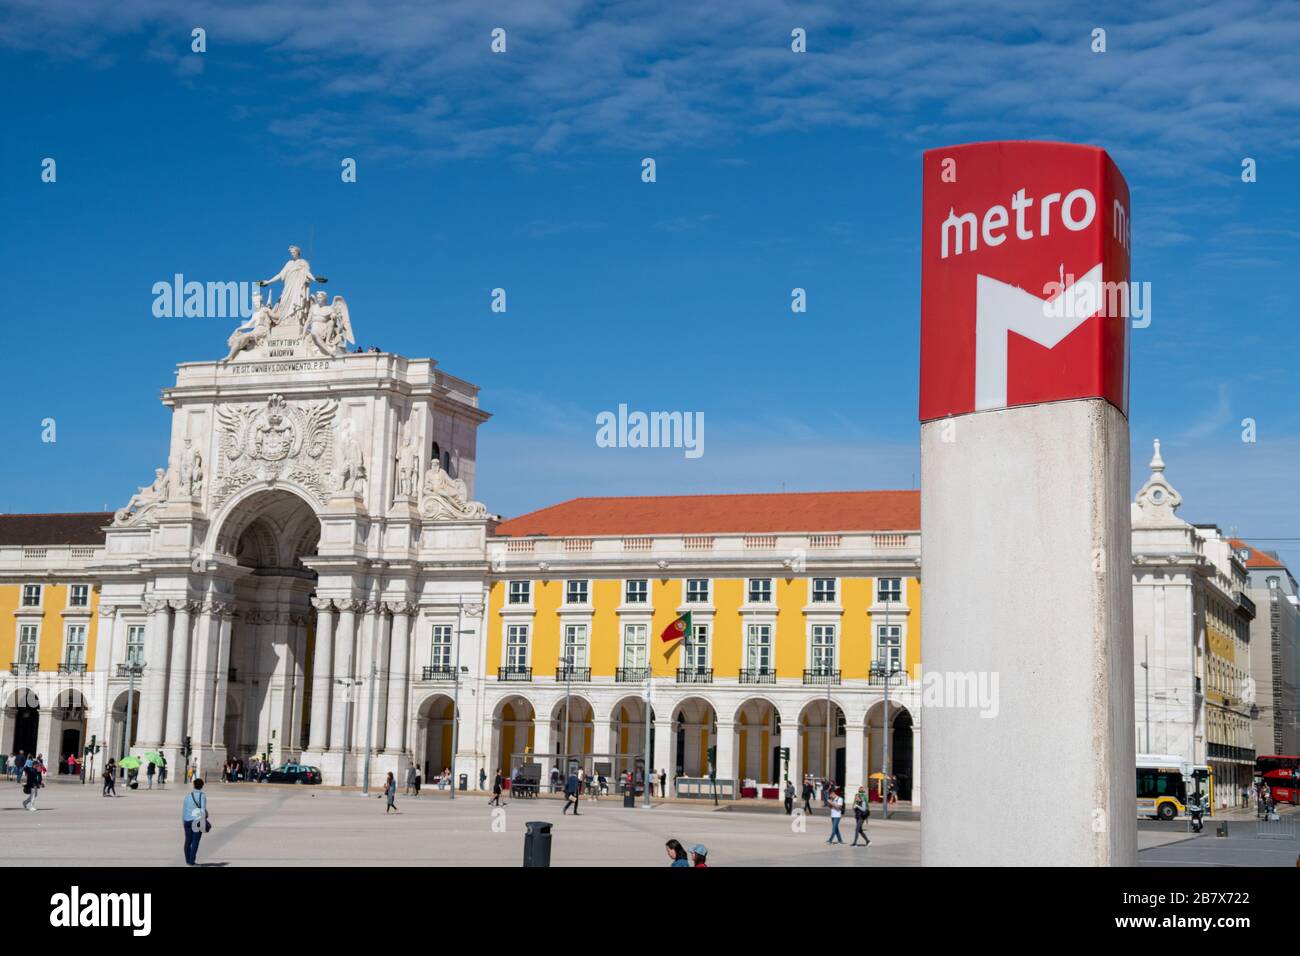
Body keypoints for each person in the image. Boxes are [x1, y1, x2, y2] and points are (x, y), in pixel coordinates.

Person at [182, 778, 209, 865]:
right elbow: (203, 810)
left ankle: (187, 860)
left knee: (187, 841)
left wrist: (184, 821)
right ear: (202, 786)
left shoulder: (188, 795)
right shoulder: (202, 796)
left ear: (193, 785)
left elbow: (184, 810)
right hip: (197, 821)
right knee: (195, 842)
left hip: (187, 820)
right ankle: (191, 861)